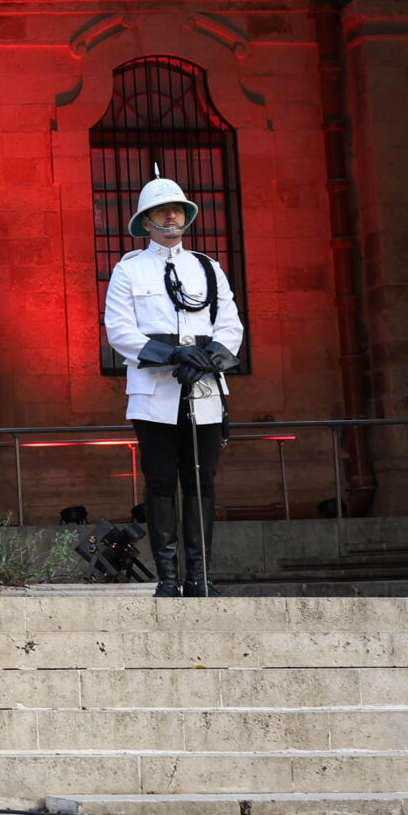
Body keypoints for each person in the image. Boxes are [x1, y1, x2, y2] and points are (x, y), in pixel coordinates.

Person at [103, 174, 243, 597]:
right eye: (162, 210)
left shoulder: (207, 267)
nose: (171, 215)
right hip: (154, 392)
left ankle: (199, 577)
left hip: (203, 389)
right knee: (161, 481)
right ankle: (167, 577)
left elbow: (230, 325)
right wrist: (171, 355)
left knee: (202, 482)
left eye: (178, 209)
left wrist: (206, 360)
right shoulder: (129, 269)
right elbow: (119, 331)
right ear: (145, 222)